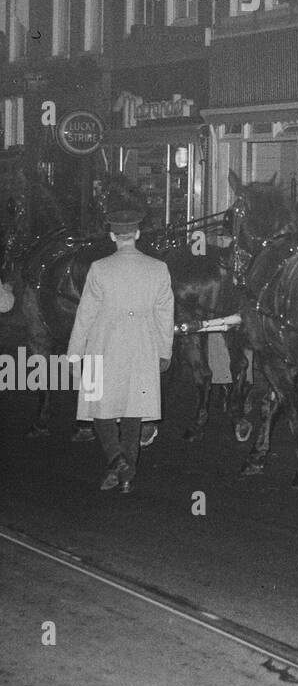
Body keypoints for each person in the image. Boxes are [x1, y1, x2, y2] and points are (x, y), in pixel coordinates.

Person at [67, 208, 174, 494]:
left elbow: (85, 314)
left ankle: (118, 462)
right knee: (133, 411)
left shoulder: (100, 268)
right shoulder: (158, 268)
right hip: (142, 345)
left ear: (113, 235)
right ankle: (126, 472)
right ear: (137, 234)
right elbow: (166, 316)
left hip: (104, 344)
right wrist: (165, 352)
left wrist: (74, 353)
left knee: (100, 409)